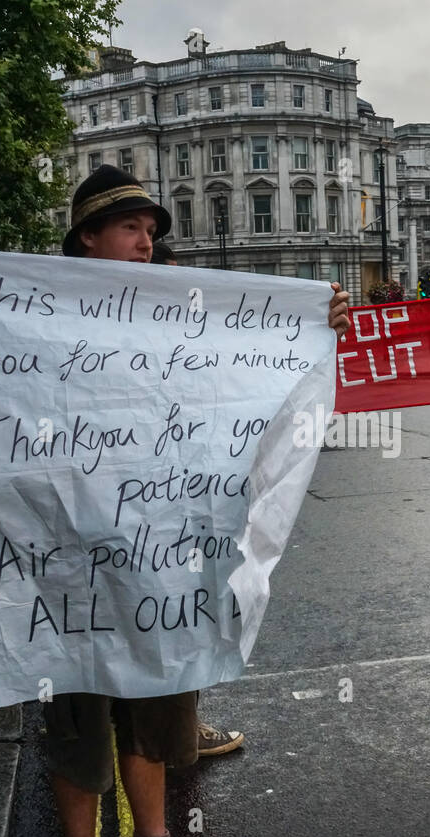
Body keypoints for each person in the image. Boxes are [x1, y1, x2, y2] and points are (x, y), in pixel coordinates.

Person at [0, 165, 351, 837]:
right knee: (76, 726)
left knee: (156, 708)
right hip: (66, 574)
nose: (145, 241)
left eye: (152, 230)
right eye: (130, 227)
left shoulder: (179, 308)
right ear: (87, 237)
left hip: (161, 566)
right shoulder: (33, 310)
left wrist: (315, 324)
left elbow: (244, 390)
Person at [147, 237, 244, 759]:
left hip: (176, 514)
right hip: (117, 522)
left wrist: (319, 328)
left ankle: (182, 733)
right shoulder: (79, 314)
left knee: (179, 622)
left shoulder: (189, 333)